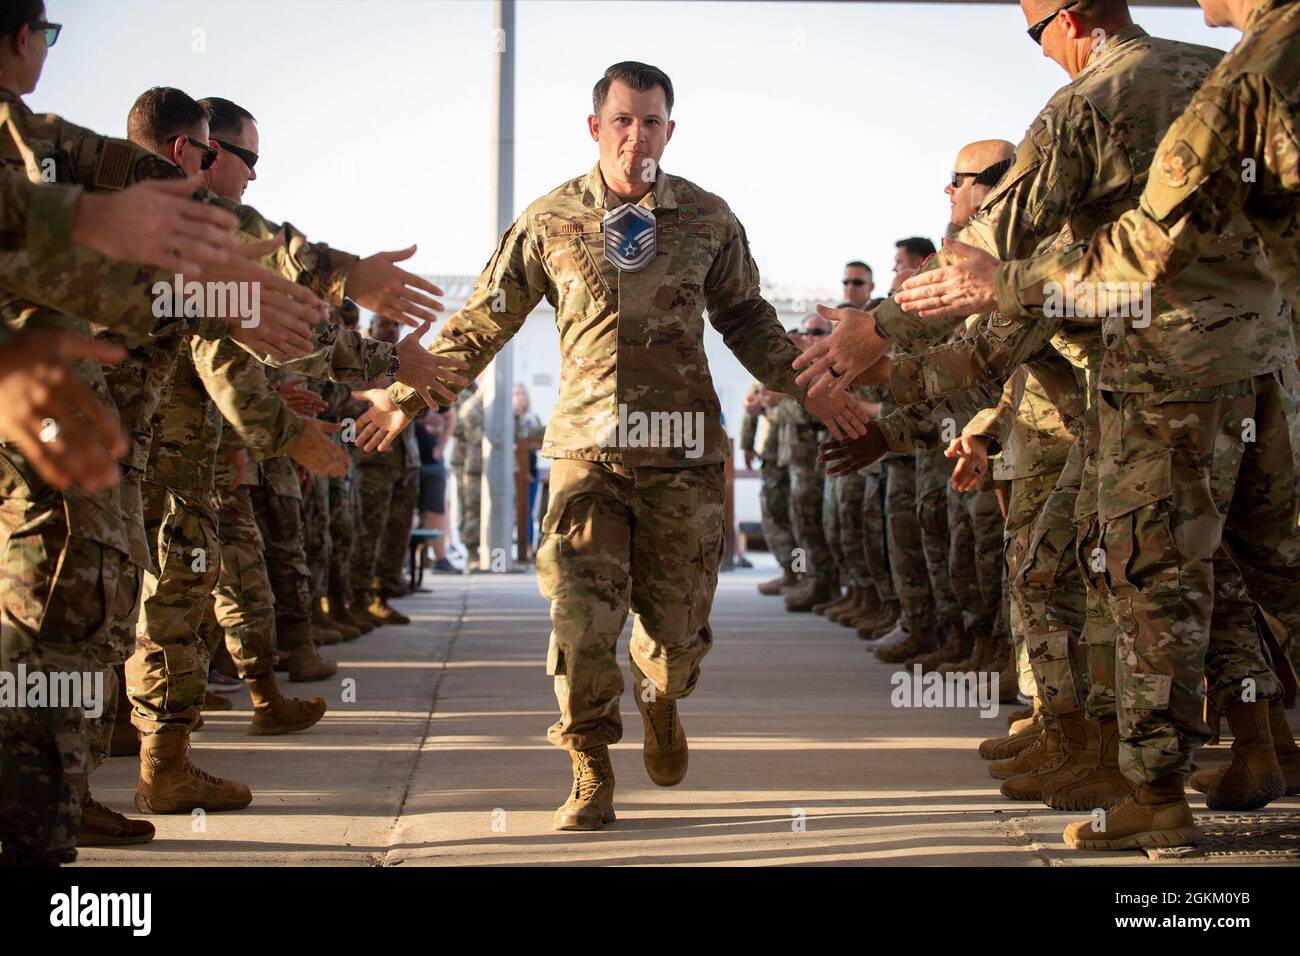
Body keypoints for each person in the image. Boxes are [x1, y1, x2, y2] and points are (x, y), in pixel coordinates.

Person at [353, 61, 866, 831]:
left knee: (675, 633)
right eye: (623, 120)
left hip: (683, 457)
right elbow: (487, 319)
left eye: (652, 121)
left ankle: (661, 697)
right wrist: (408, 393)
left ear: (671, 129)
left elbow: (749, 321)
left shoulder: (708, 219)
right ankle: (589, 764)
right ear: (596, 127)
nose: (637, 136)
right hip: (588, 454)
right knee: (580, 619)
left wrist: (809, 380)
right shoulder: (551, 218)